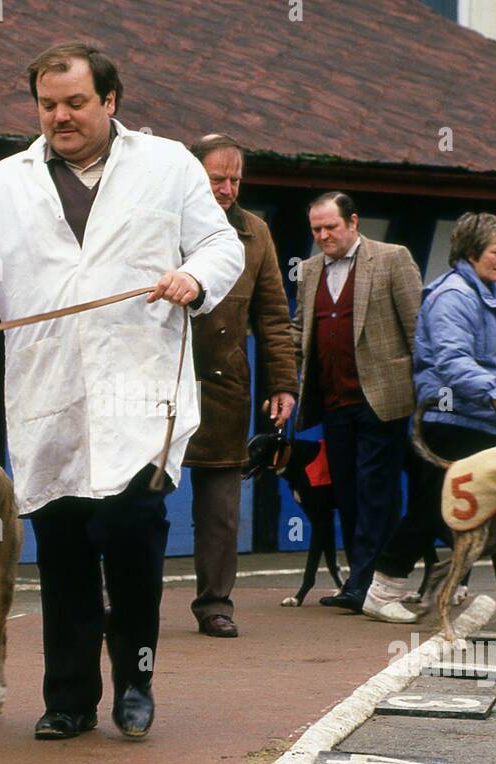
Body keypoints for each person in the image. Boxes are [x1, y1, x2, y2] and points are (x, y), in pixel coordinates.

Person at [0, 43, 244, 739]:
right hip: (50, 394)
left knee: (131, 542)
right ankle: (67, 699)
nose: (60, 116)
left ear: (111, 100)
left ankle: (135, 683)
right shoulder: (5, 182)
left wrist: (195, 278)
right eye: (48, 104)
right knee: (62, 551)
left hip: (138, 396)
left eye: (75, 103)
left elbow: (222, 246)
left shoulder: (169, 166)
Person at [367, 211, 496, 633]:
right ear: (471, 251)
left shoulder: (491, 291)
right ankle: (382, 594)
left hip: (483, 421)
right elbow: (450, 359)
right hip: (451, 421)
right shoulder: (454, 296)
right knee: (432, 508)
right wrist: (493, 392)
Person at [183, 134, 298, 638]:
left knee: (221, 512)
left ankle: (215, 605)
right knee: (139, 500)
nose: (228, 188)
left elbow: (274, 316)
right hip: (154, 385)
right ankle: (123, 601)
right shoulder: (160, 227)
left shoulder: (257, 234)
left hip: (224, 384)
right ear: (192, 176)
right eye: (216, 179)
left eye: (235, 179)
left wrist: (283, 384)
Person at [290, 192, 424, 622]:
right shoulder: (309, 270)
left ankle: (373, 584)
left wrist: (426, 393)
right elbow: (299, 331)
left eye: (330, 227)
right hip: (333, 399)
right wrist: (283, 382)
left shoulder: (391, 258)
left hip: (383, 397)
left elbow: (419, 326)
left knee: (376, 492)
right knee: (345, 490)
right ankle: (357, 582)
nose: (323, 236)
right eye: (316, 229)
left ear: (353, 222)